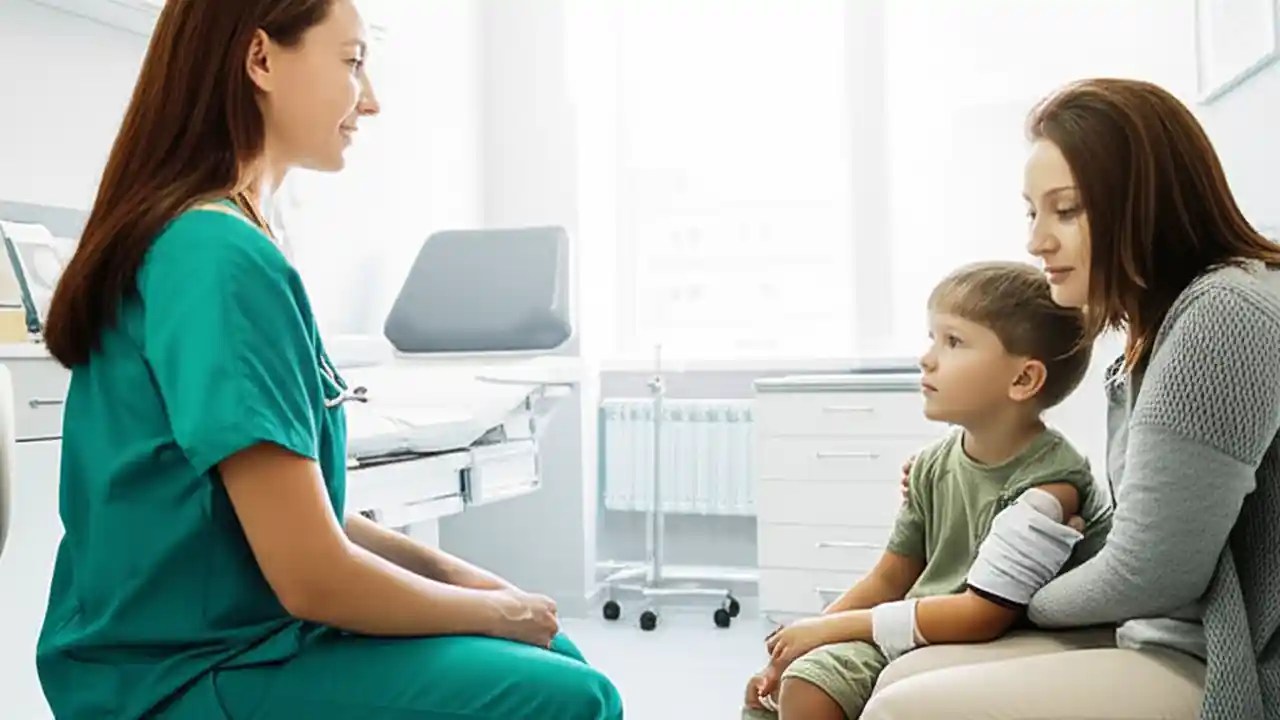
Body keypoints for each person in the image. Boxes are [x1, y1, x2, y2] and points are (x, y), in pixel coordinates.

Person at [34, 2, 622, 718]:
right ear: (260, 60)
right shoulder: (219, 258)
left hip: (211, 643)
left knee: (551, 650)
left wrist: (467, 580)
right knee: (572, 698)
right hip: (184, 674)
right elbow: (313, 577)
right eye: (351, 62)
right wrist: (496, 615)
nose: (369, 100)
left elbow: (313, 519)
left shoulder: (211, 237)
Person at [866, 78, 1280, 720]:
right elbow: (1155, 535)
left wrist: (1010, 598)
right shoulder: (1164, 329)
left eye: (1068, 210)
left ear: (1147, 203)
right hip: (1175, 632)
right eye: (1032, 212)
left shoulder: (1223, 315)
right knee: (899, 676)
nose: (1036, 242)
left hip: (1228, 660)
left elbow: (1154, 575)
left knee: (901, 709)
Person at [741, 261, 1113, 719]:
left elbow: (983, 613)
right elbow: (888, 579)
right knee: (786, 683)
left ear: (1023, 380)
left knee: (808, 684)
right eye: (932, 337)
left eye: (953, 341)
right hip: (908, 625)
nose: (927, 357)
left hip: (974, 637)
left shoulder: (1051, 486)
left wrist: (830, 630)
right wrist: (803, 636)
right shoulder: (932, 465)